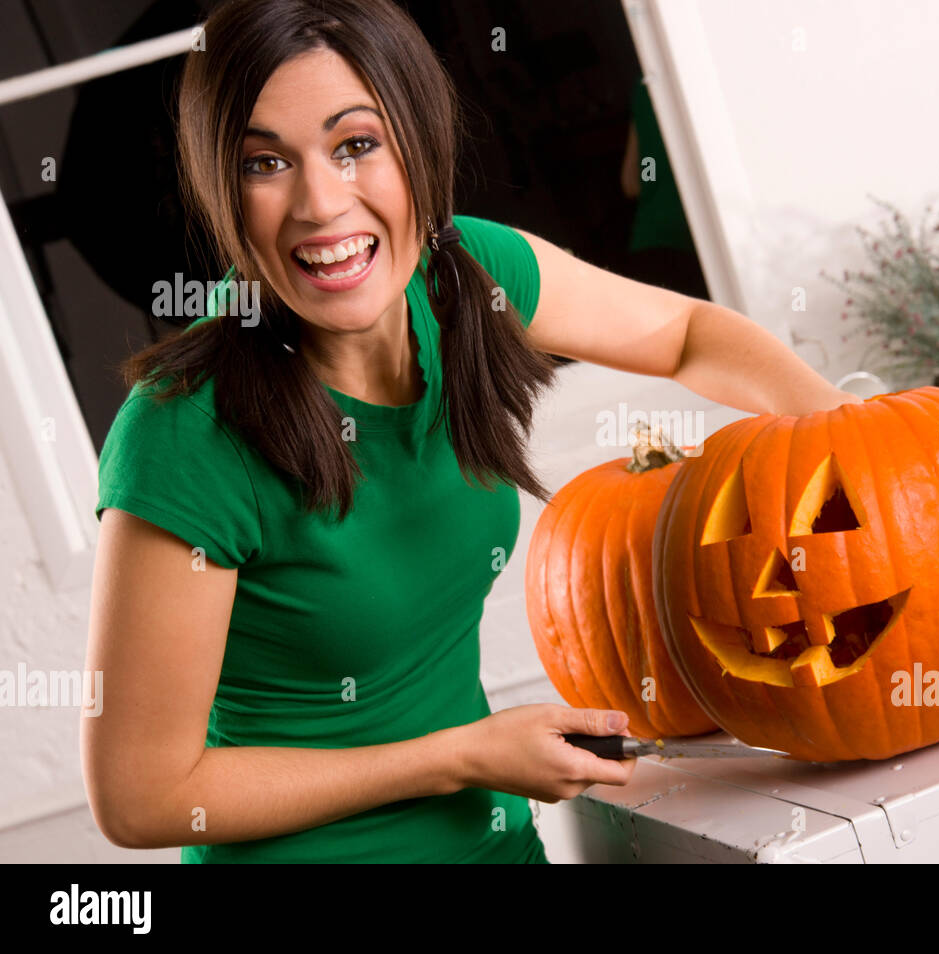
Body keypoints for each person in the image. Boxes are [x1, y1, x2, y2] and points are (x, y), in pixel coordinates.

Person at [82, 0, 861, 863]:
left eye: (355, 145)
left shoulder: (467, 281)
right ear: (222, 191)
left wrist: (853, 445)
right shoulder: (184, 430)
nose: (320, 202)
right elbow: (141, 798)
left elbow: (686, 336)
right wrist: (458, 758)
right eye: (265, 163)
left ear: (416, 140)